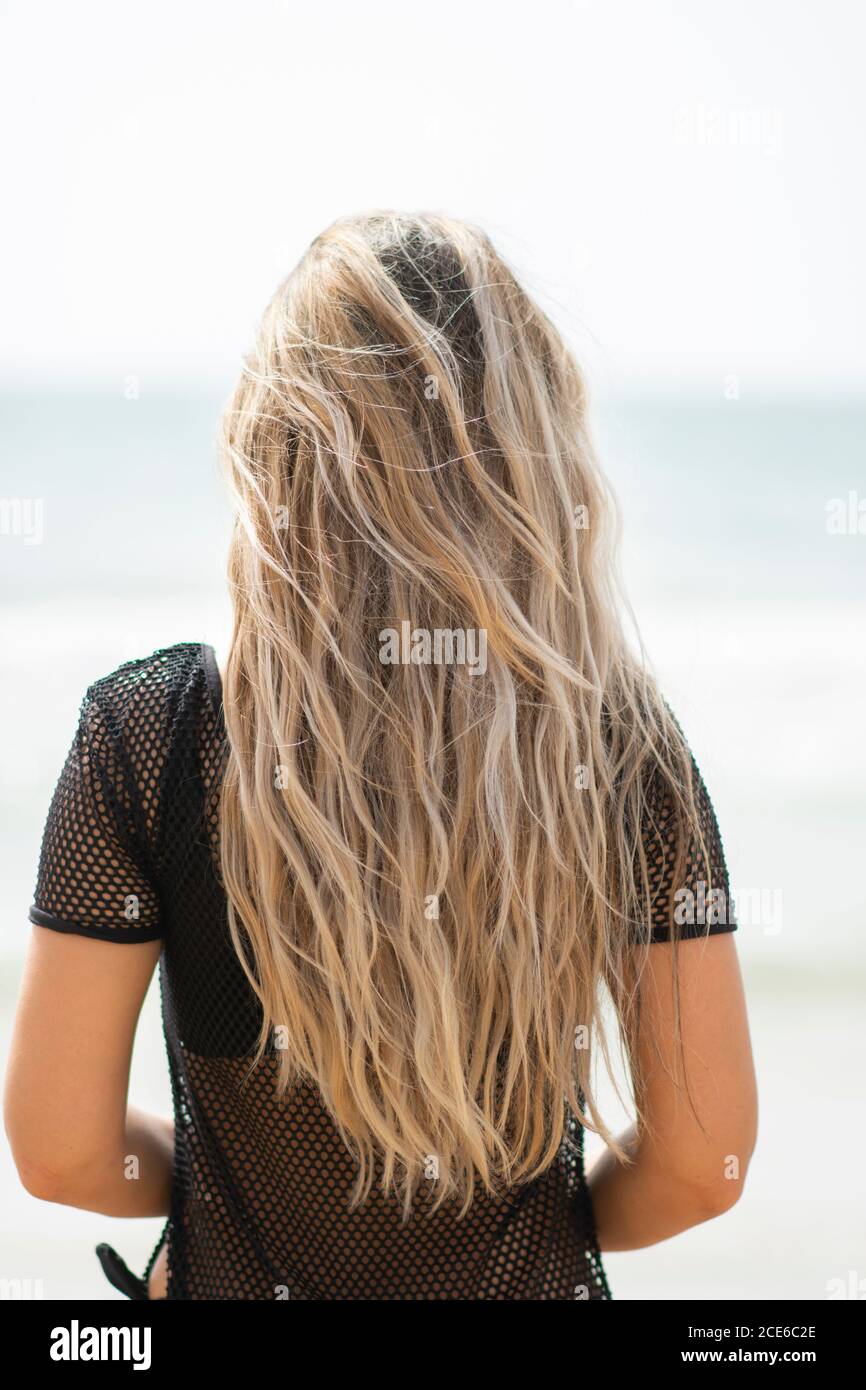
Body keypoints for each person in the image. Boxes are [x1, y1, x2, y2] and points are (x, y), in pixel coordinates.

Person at [5, 212, 757, 1300]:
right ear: (525, 452)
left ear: (276, 450)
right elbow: (700, 1167)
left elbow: (61, 1151)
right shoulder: (619, 750)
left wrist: (216, 1202)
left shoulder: (153, 738)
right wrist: (530, 1230)